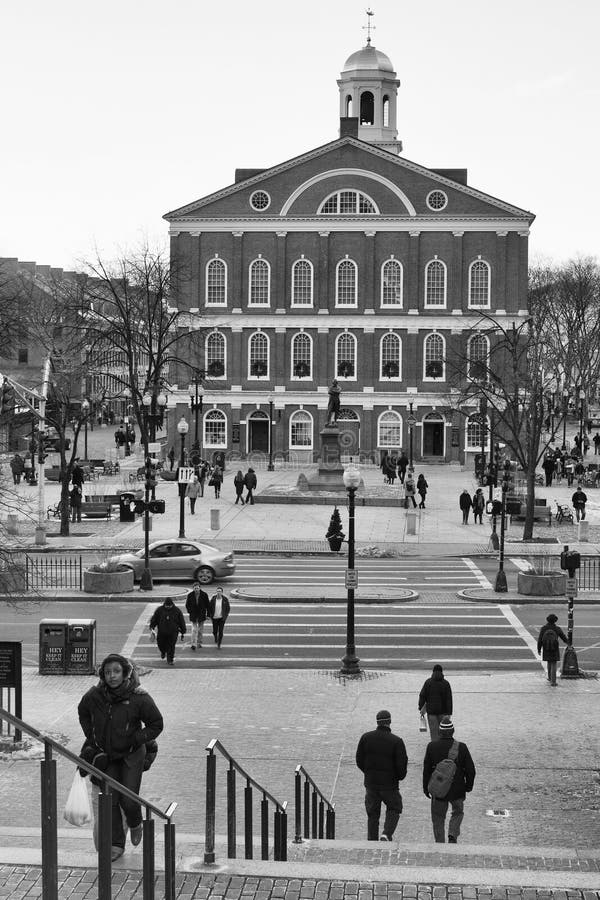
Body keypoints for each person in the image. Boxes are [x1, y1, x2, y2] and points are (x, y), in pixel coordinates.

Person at [77, 653, 163, 861]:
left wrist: (136, 738)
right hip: (110, 756)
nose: (112, 676)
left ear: (125, 673)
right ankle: (116, 844)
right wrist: (93, 735)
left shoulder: (138, 696)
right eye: (108, 672)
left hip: (132, 755)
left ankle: (135, 823)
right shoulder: (95, 695)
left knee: (128, 799)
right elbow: (82, 712)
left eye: (116, 671)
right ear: (102, 675)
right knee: (112, 799)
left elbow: (156, 724)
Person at [355, 709, 408, 842]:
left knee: (372, 813)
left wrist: (368, 772)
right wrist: (399, 777)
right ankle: (386, 833)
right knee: (395, 807)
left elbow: (359, 759)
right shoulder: (396, 741)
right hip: (389, 785)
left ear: (377, 722)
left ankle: (372, 839)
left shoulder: (366, 737)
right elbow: (401, 766)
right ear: (389, 722)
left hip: (371, 783)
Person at [422, 716, 476, 844]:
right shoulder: (462, 747)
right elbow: (471, 770)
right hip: (457, 790)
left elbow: (427, 770)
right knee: (457, 812)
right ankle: (452, 835)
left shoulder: (432, 746)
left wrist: (426, 788)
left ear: (440, 732)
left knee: (438, 818)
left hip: (439, 790)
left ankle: (440, 842)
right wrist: (468, 786)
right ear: (453, 731)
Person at [418, 664, 453, 741]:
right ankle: (443, 748)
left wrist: (421, 708)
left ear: (433, 672)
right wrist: (449, 713)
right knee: (443, 732)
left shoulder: (428, 682)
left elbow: (422, 696)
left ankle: (434, 748)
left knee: (434, 733)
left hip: (431, 713)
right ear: (441, 672)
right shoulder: (446, 683)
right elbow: (449, 699)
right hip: (443, 713)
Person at [149, 598, 186, 666]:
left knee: (171, 646)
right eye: (166, 606)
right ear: (164, 605)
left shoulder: (177, 611)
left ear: (172, 605)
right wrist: (152, 626)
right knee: (160, 644)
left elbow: (181, 621)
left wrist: (183, 630)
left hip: (173, 632)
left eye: (169, 606)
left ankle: (170, 659)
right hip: (162, 632)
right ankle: (163, 652)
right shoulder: (159, 610)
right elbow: (154, 619)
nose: (168, 607)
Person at [537, 613, 568, 685]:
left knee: (549, 661)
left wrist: (539, 649)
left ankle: (549, 677)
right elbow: (563, 638)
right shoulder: (557, 628)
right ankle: (553, 682)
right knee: (554, 663)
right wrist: (568, 643)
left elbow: (540, 640)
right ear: (555, 621)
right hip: (554, 648)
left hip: (546, 648)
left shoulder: (544, 628)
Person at [186, 581, 209, 650]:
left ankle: (199, 643)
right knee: (194, 630)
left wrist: (208, 614)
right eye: (195, 588)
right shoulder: (190, 595)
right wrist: (190, 612)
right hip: (193, 615)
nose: (196, 589)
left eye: (197, 588)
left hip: (201, 615)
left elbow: (208, 605)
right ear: (193, 588)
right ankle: (193, 644)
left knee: (200, 630)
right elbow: (187, 605)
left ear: (200, 588)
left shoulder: (204, 595)